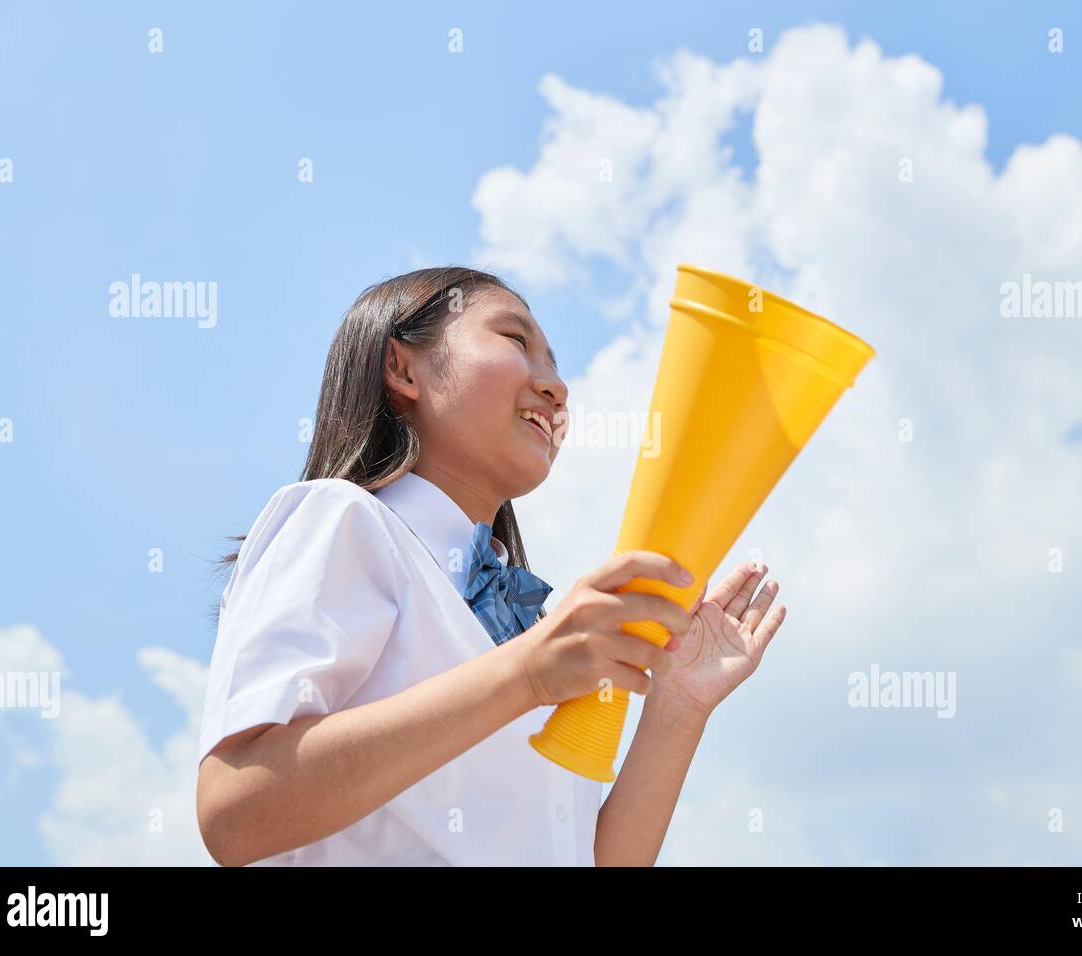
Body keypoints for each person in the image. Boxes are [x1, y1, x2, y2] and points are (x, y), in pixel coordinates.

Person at [194, 266, 787, 866]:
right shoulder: (342, 518)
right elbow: (236, 812)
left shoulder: (539, 633)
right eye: (515, 341)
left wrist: (678, 706)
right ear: (402, 369)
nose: (556, 387)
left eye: (556, 364)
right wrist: (525, 675)